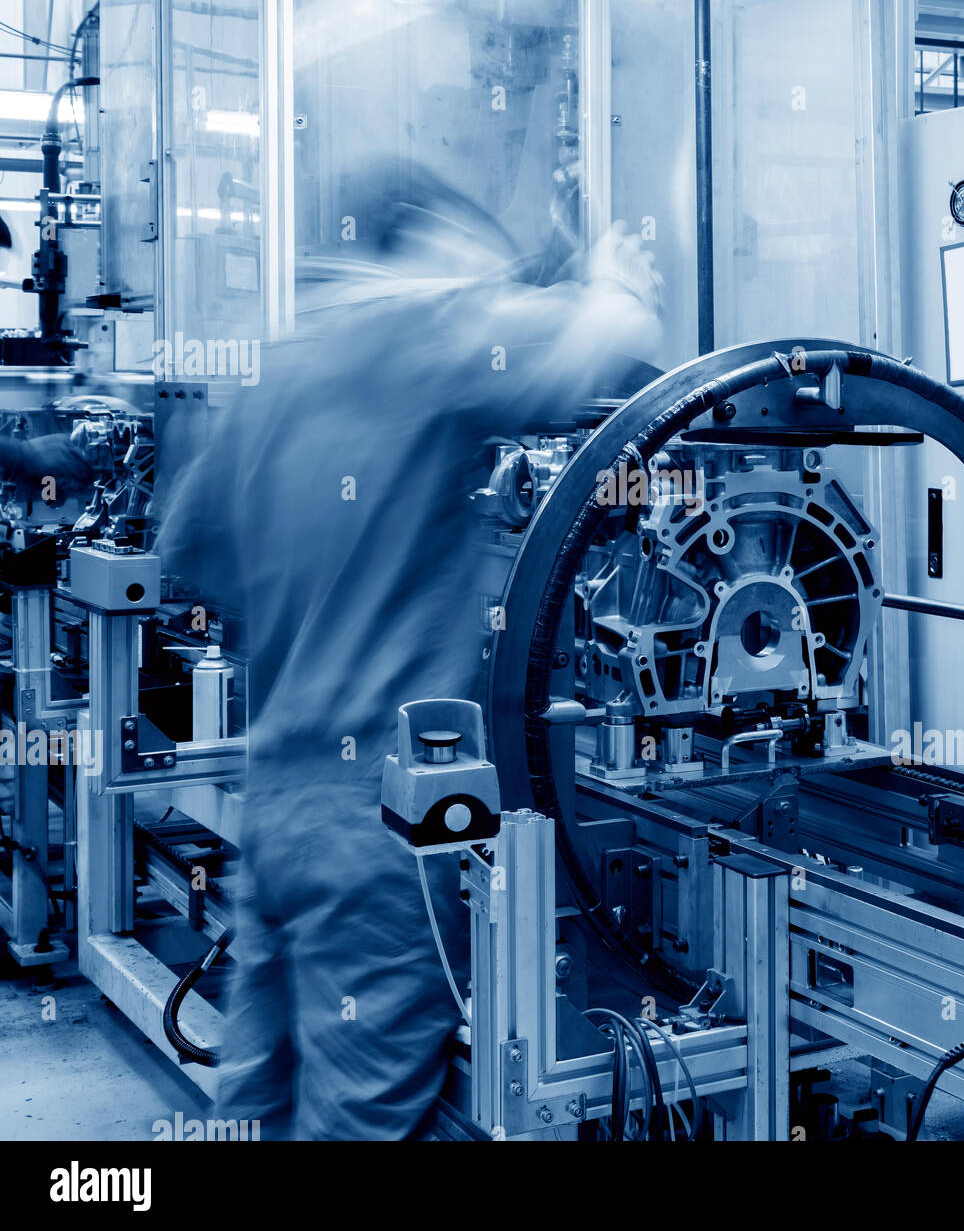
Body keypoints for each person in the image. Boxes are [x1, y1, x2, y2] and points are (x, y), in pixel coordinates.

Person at [157, 160, 662, 1139]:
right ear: (430, 240)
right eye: (475, 261)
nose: (485, 284)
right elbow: (606, 349)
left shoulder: (282, 365)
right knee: (362, 1112)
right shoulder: (421, 331)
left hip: (280, 793)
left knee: (258, 1085)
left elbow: (190, 549)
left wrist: (332, 597)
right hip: (378, 820)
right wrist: (613, 274)